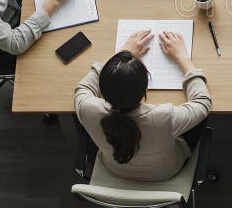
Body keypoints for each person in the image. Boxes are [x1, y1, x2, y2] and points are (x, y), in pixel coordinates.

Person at [74, 30, 212, 181]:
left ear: (101, 88)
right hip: (163, 173)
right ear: (145, 91)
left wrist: (118, 58)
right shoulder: (164, 117)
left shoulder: (87, 109)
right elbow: (202, 102)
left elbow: (83, 89)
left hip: (115, 170)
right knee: (200, 120)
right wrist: (183, 59)